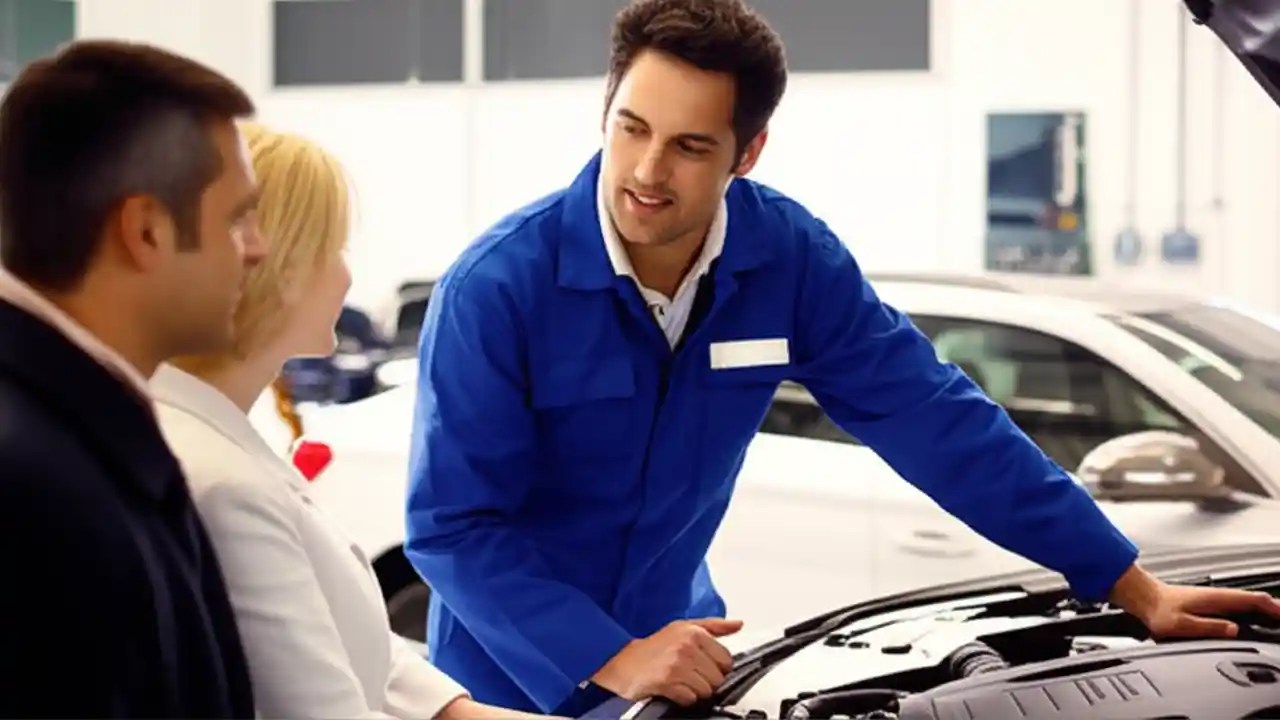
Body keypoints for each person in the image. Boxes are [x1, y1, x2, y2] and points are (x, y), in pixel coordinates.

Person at [402, 0, 1280, 715]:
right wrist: (609, 656)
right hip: (508, 680)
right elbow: (454, 528)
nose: (645, 170)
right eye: (630, 129)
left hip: (681, 660)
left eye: (690, 145)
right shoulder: (499, 287)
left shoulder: (785, 258)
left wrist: (1128, 583)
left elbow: (935, 417)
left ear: (748, 153)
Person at [150, 121, 549, 720]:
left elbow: (355, 652)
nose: (347, 276)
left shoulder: (214, 440)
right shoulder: (220, 485)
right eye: (333, 249)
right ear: (275, 264)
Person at [0, 40, 265, 717]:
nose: (258, 249)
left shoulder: (76, 429)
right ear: (145, 229)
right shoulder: (31, 480)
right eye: (237, 219)